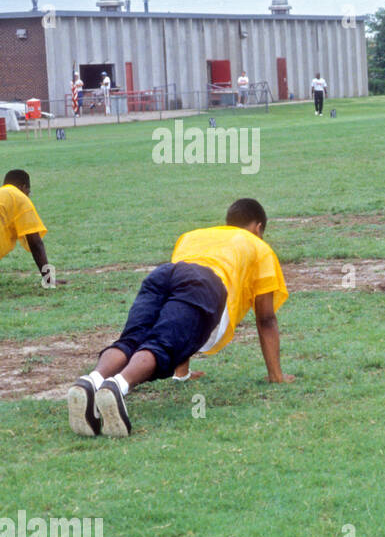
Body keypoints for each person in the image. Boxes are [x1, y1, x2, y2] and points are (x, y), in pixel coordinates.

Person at [66, 198, 291, 438]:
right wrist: (276, 376)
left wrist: (181, 373)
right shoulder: (258, 246)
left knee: (131, 340)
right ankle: (118, 385)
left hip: (163, 274)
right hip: (206, 283)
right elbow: (266, 318)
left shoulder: (193, 235)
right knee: (160, 344)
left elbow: (178, 313)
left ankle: (91, 380)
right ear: (258, 228)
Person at [1, 169, 55, 287]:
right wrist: (49, 279)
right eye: (28, 193)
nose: (28, 196)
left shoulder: (4, 195)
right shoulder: (19, 197)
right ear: (24, 187)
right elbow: (35, 243)